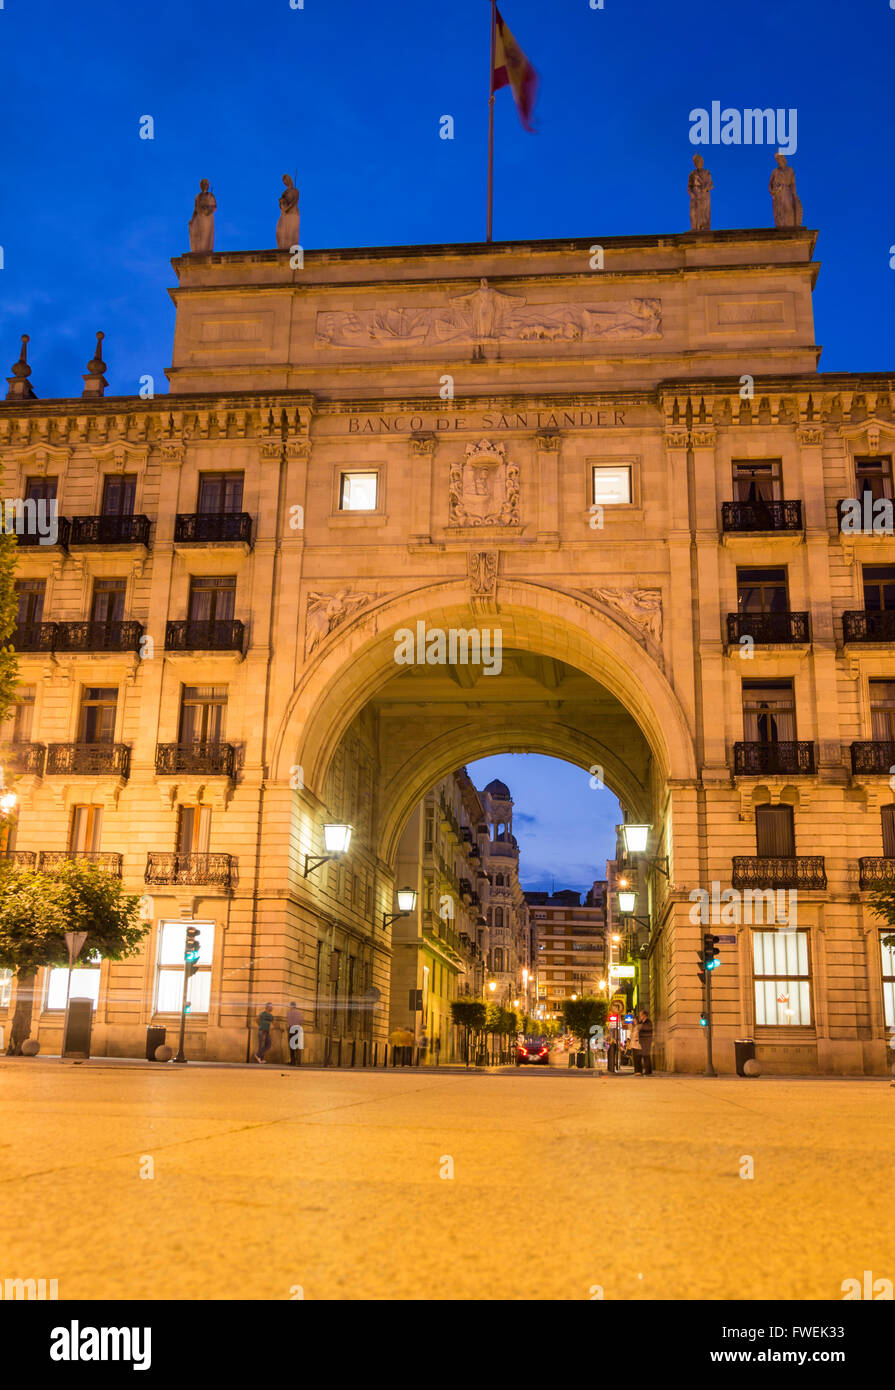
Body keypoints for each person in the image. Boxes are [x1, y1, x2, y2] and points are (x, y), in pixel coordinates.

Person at [637, 1008, 654, 1075]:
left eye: (641, 1015)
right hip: (643, 1041)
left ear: (644, 1015)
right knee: (645, 1056)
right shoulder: (642, 1022)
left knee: (646, 1055)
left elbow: (647, 1028)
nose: (640, 1016)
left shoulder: (648, 1021)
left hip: (647, 1041)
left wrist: (641, 1026)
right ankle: (648, 1070)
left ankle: (648, 1071)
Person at [286, 1001, 303, 1066]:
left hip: (291, 1029)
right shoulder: (299, 1013)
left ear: (291, 1006)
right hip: (298, 1029)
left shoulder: (289, 1013)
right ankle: (299, 1061)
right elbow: (301, 1021)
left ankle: (293, 1061)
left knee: (292, 1046)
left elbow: (288, 1022)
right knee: (298, 1046)